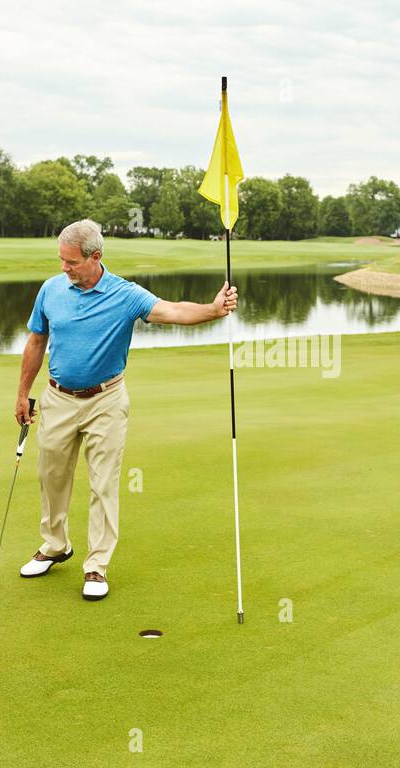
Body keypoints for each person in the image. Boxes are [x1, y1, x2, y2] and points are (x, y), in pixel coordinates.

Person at [15, 219, 237, 600]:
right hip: (57, 398)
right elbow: (37, 341)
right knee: (50, 474)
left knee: (103, 483)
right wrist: (22, 393)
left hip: (106, 400)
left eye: (70, 262)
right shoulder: (51, 290)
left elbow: (173, 311)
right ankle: (55, 545)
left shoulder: (125, 294)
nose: (63, 268)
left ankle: (96, 566)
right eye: (61, 260)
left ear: (95, 257)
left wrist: (213, 310)